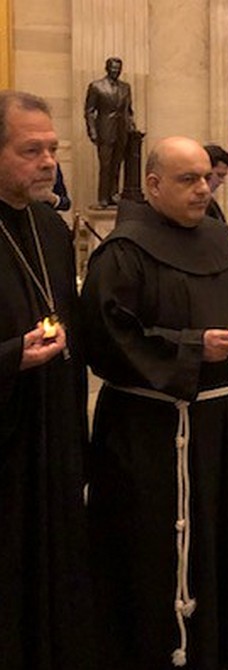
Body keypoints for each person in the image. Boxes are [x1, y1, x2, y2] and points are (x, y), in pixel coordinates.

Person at [81, 136, 228, 668]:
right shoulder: (123, 252)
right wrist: (192, 348)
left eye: (206, 178)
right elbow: (106, 337)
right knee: (156, 551)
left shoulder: (217, 239)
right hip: (153, 432)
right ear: (153, 185)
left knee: (223, 541)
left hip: (226, 424)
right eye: (188, 180)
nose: (203, 189)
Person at [0, 90, 96, 670]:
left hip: (53, 431)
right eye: (30, 150)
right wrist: (13, 356)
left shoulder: (52, 229)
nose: (48, 163)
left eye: (53, 149)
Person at [84, 57, 135, 208]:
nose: (116, 71)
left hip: (122, 130)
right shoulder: (96, 86)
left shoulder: (126, 87)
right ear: (107, 68)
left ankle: (114, 194)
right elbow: (89, 111)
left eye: (118, 68)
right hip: (105, 129)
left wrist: (131, 125)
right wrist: (92, 130)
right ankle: (103, 197)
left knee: (117, 164)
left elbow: (129, 110)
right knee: (105, 165)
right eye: (113, 68)